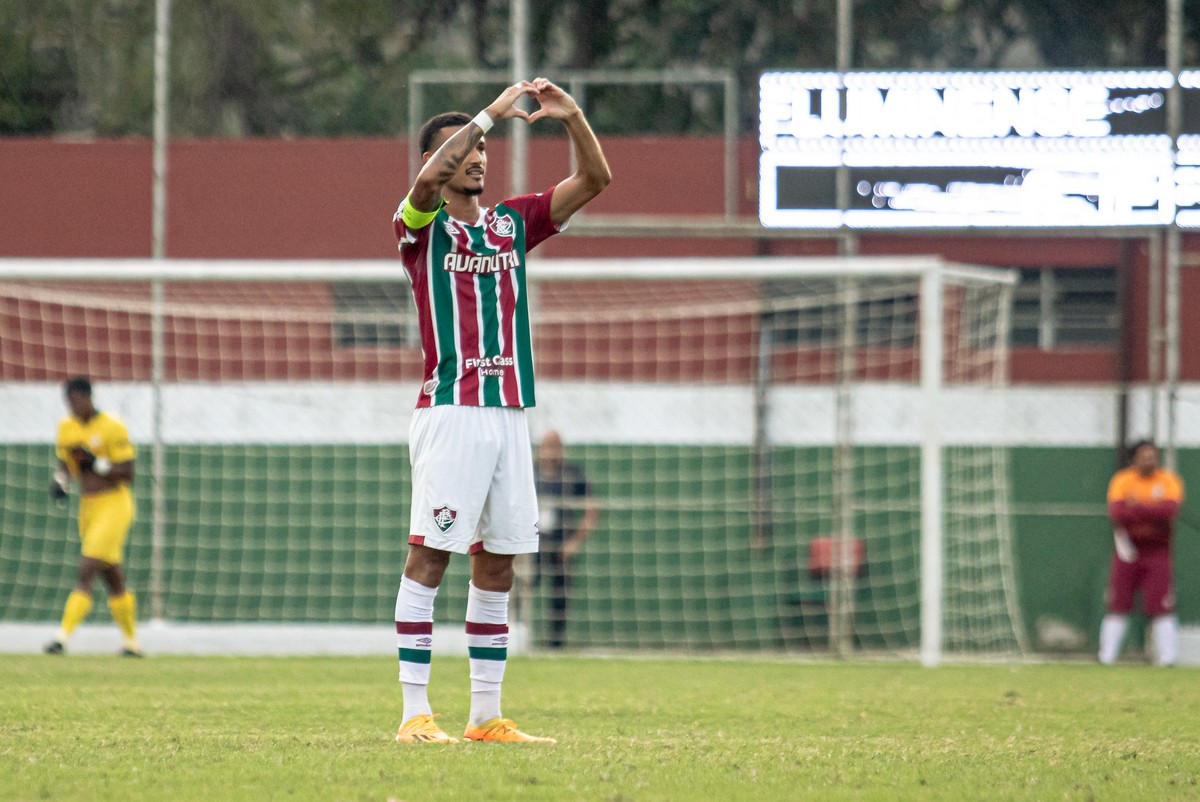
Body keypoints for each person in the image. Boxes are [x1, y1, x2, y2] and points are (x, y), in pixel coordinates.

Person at [389, 77, 611, 744]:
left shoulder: (510, 223)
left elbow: (596, 179)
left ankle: (485, 716)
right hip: (451, 411)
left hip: (509, 413)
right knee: (431, 556)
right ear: (438, 162)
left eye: (485, 149)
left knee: (500, 563)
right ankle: (413, 714)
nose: (479, 157)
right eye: (466, 150)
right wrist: (488, 113)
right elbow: (426, 182)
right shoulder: (418, 225)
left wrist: (570, 115)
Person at [45, 376, 141, 657]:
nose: (73, 408)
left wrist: (95, 462)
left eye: (77, 401)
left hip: (114, 505)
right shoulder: (66, 428)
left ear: (88, 398)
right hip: (88, 507)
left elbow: (128, 473)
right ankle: (131, 642)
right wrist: (60, 481)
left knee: (87, 567)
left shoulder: (113, 427)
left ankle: (61, 638)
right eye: (69, 403)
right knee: (112, 575)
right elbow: (64, 462)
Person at [1099, 439, 1184, 666]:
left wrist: (1136, 506)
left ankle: (1167, 659)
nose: (1149, 459)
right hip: (1128, 550)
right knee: (1118, 603)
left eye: (1153, 455)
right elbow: (1118, 512)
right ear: (1135, 458)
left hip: (1158, 551)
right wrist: (1149, 511)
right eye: (1144, 455)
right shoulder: (1122, 480)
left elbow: (1169, 510)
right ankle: (1106, 658)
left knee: (1161, 605)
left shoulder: (1168, 480)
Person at [533, 431, 598, 649]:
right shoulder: (529, 472)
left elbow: (592, 509)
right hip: (531, 544)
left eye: (556, 446)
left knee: (560, 595)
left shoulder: (572, 474)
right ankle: (514, 639)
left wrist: (575, 542)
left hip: (561, 545)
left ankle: (554, 646)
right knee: (517, 588)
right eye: (547, 445)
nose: (551, 451)